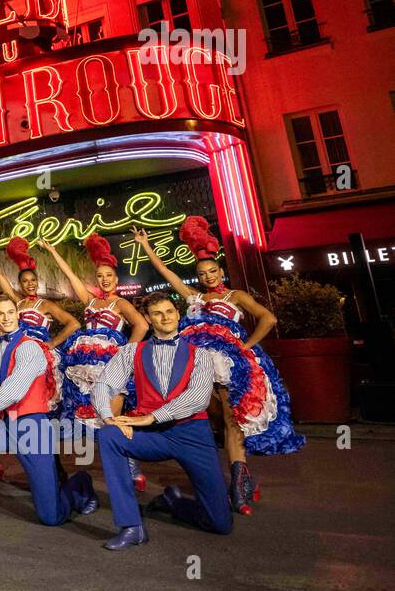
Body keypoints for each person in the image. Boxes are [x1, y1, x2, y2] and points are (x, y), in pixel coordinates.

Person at [134, 219, 304, 514]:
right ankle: (218, 478)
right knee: (201, 416)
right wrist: (146, 246)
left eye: (213, 271)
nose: (208, 276)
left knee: (231, 418)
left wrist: (245, 346)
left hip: (226, 363)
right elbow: (165, 271)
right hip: (194, 360)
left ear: (221, 271)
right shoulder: (194, 297)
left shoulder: (235, 296)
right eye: (202, 273)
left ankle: (239, 487)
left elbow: (268, 319)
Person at [92, 293, 234, 549]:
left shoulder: (200, 355)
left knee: (220, 524)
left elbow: (199, 399)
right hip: (153, 436)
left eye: (169, 311)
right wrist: (108, 417)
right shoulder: (132, 351)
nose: (165, 317)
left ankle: (173, 502)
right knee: (108, 435)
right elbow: (103, 383)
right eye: (157, 313)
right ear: (148, 318)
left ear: (178, 314)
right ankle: (131, 526)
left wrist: (151, 416)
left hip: (192, 433)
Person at [0, 295, 97, 528]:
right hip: (3, 428)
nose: (6, 318)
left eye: (10, 312)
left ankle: (80, 483)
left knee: (50, 517)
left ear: (17, 314)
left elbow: (13, 389)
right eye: (0, 314)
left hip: (31, 429)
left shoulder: (30, 347)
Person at [42, 235, 150, 491]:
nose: (104, 279)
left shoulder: (121, 303)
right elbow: (72, 278)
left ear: (116, 278)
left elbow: (142, 325)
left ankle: (132, 469)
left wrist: (125, 353)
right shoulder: (90, 301)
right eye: (100, 276)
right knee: (93, 416)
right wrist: (54, 252)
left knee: (113, 419)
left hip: (110, 364)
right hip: (85, 365)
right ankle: (118, 471)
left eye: (108, 276)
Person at [0, 232, 80, 348]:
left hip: (37, 353)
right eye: (25, 281)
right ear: (20, 285)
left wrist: (53, 343)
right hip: (14, 349)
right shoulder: (17, 301)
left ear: (37, 282)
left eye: (33, 280)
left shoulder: (45, 304)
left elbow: (74, 324)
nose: (30, 284)